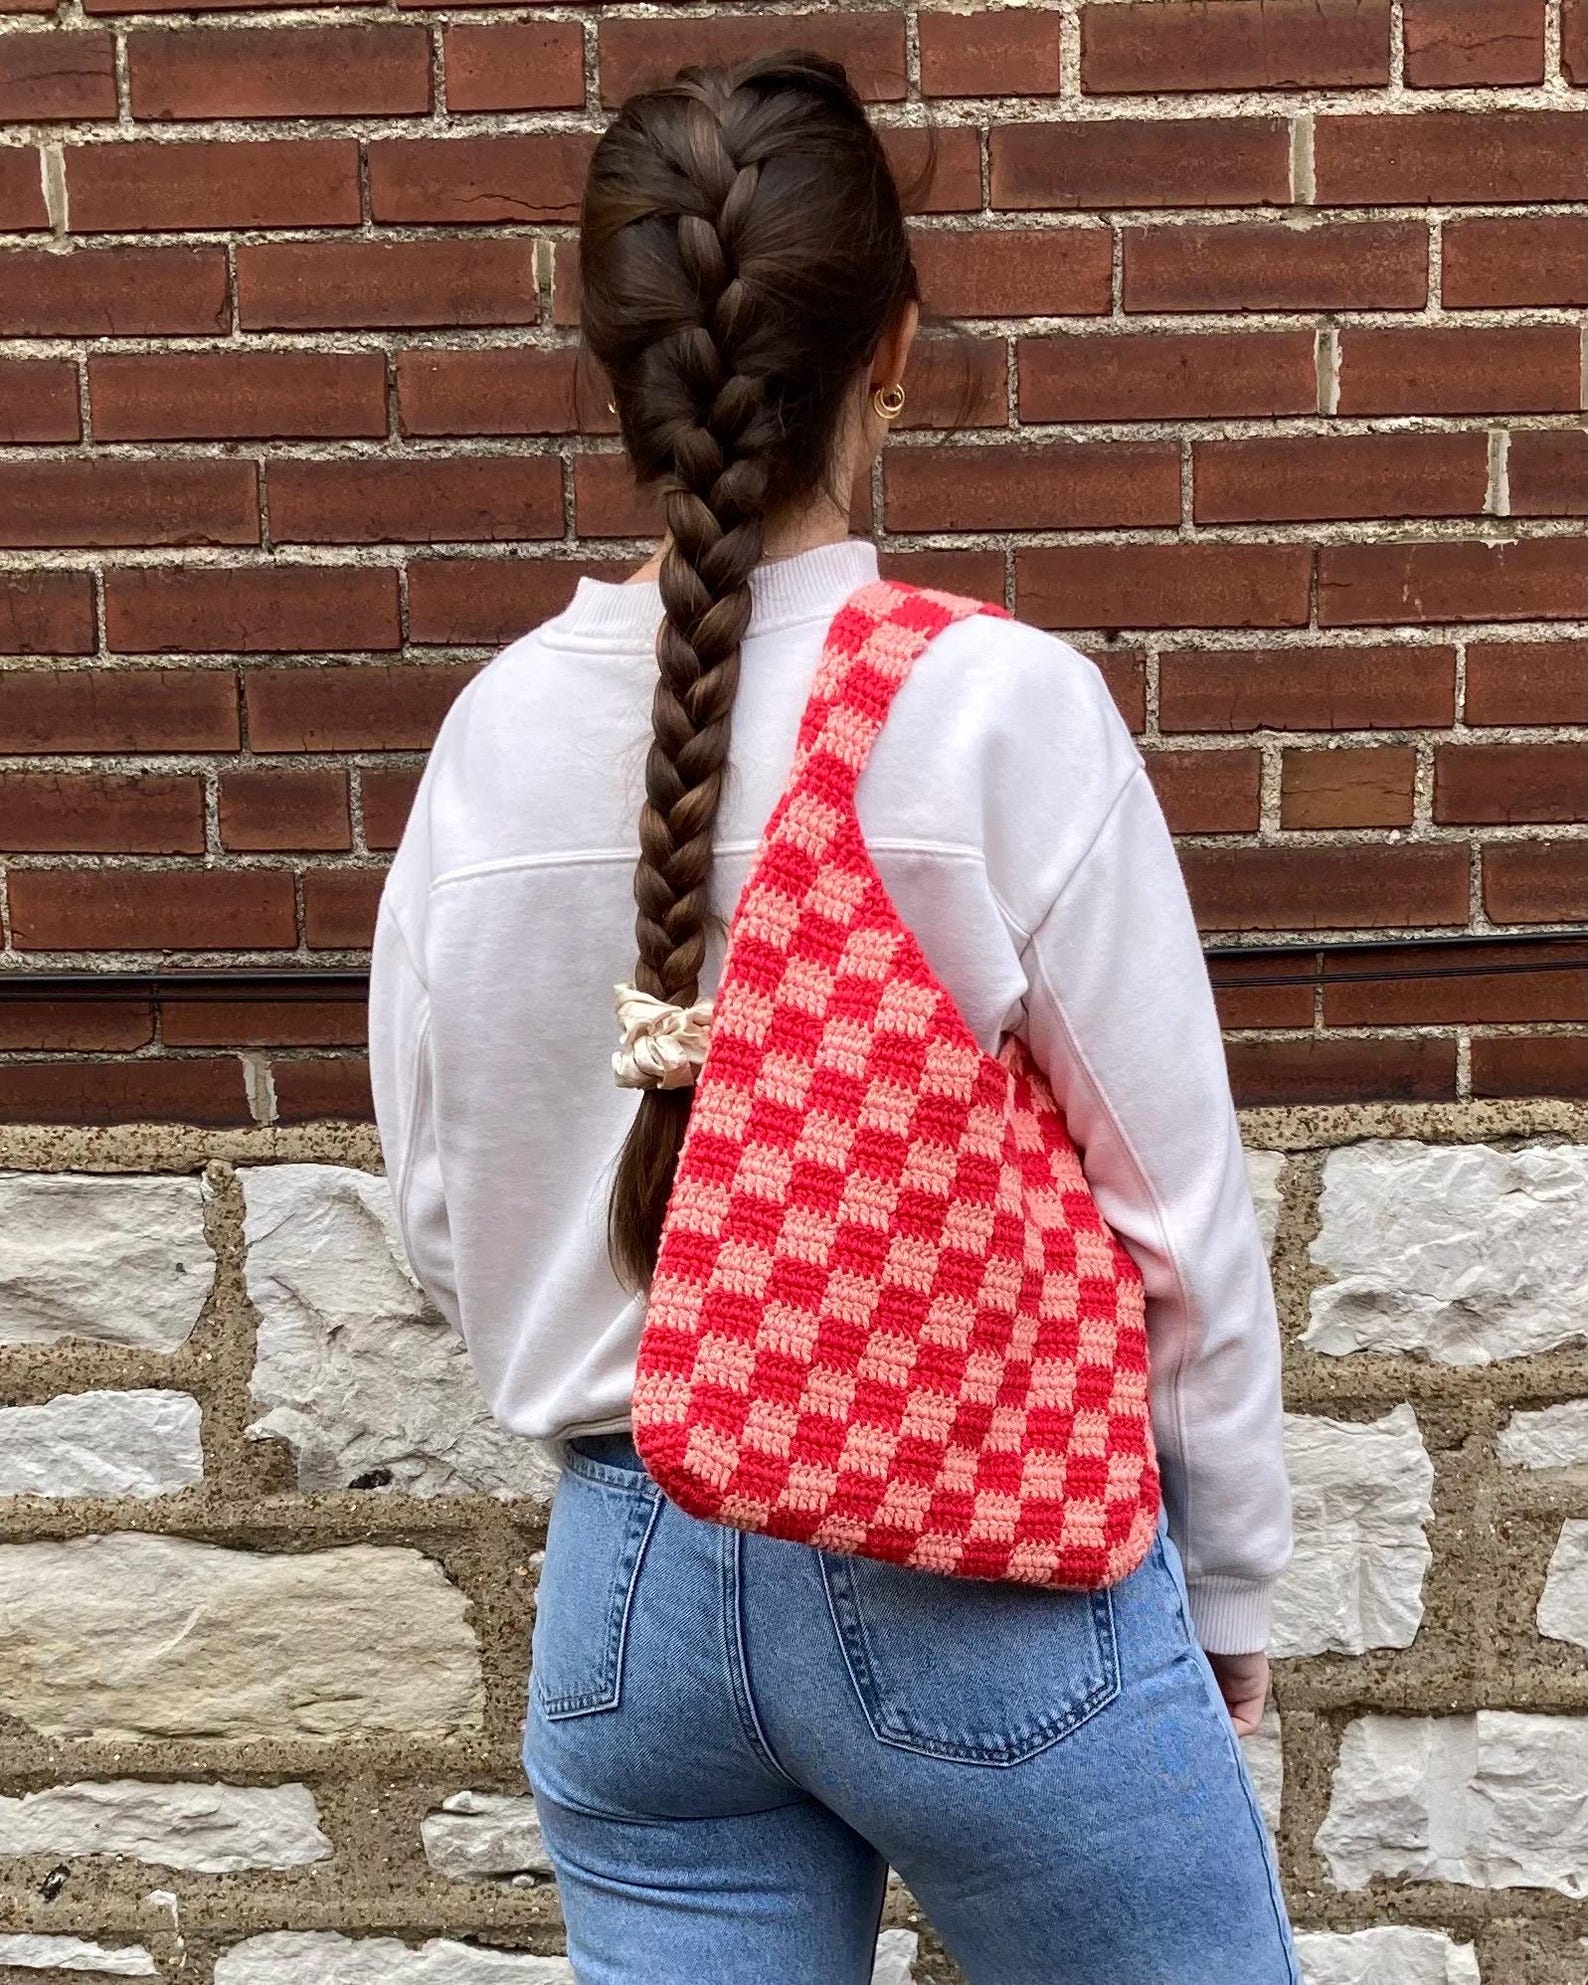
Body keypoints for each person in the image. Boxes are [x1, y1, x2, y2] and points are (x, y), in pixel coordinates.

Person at [369, 52, 1297, 1985]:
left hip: (627, 1601)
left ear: (612, 363)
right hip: (978, 1572)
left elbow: (445, 1214)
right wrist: (1222, 1589)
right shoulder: (996, 713)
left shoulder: (485, 746)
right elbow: (1178, 1230)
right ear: (893, 343)